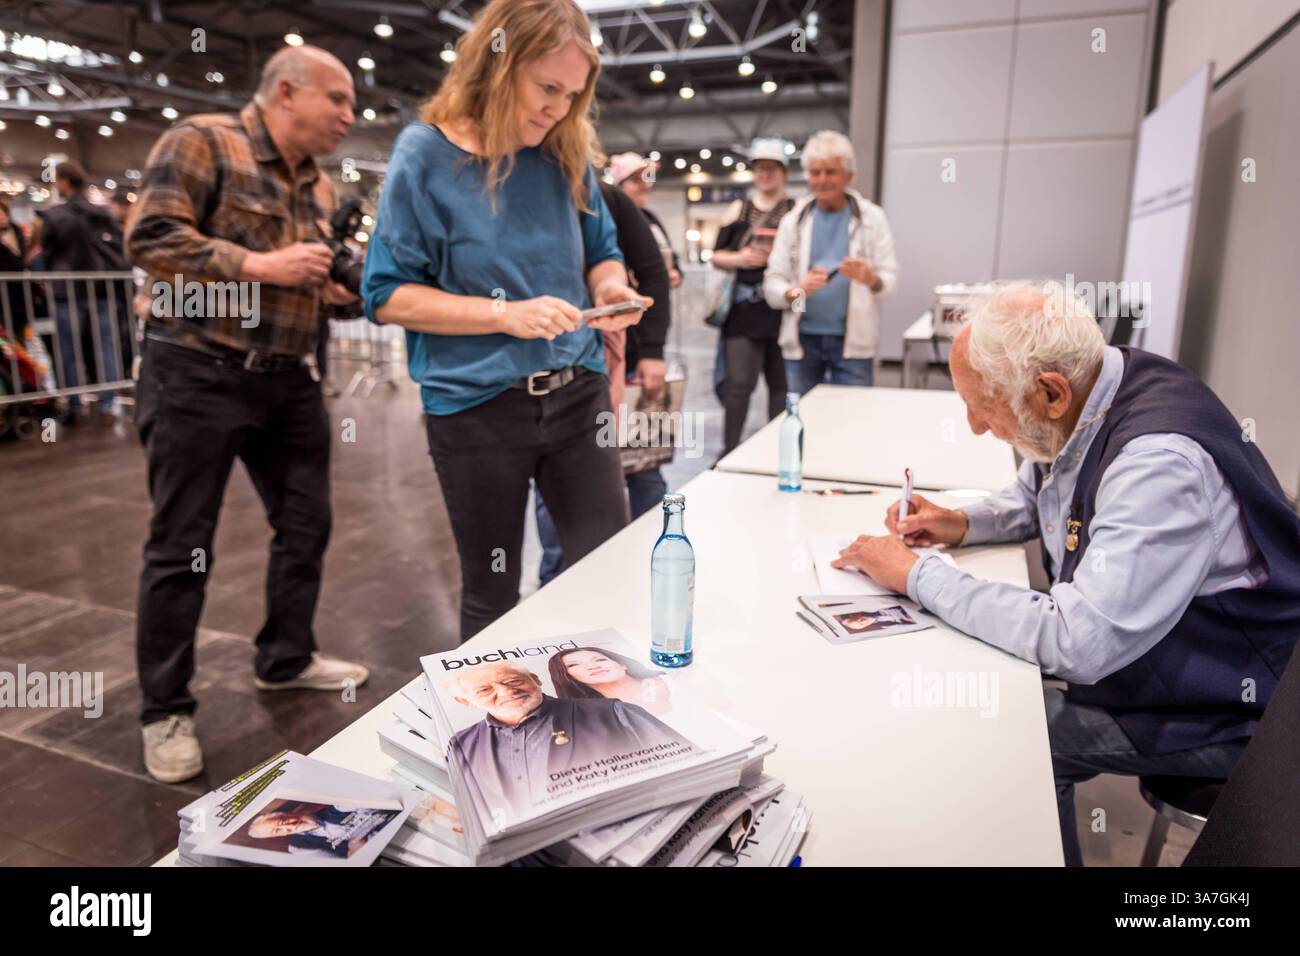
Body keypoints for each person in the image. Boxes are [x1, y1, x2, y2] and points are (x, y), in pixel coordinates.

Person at [831, 281, 1300, 866]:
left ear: (1051, 392)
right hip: (1167, 665)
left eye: (984, 407)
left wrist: (917, 576)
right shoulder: (1100, 383)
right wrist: (959, 522)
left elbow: (1076, 641)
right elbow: (1049, 488)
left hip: (1238, 714)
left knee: (1017, 738)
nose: (975, 427)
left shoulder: (1158, 465)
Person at [361, 0, 647, 640]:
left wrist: (613, 290)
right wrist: (504, 315)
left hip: (578, 394)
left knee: (603, 568)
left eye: (572, 95)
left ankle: (600, 722)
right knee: (492, 590)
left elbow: (603, 255)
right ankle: (495, 731)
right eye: (547, 87)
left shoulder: (565, 152)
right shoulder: (425, 155)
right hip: (476, 407)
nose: (558, 108)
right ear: (499, 62)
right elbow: (386, 294)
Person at [125, 45, 369, 784]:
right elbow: (151, 238)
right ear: (287, 93)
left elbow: (313, 271)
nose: (349, 116)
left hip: (287, 380)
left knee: (307, 522)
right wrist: (259, 266)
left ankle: (285, 657)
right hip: (195, 370)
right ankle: (164, 709)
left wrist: (335, 291)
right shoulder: (202, 141)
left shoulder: (321, 188)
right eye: (338, 100)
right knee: (181, 543)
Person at [534, 157, 674, 584]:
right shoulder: (530, 195)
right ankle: (557, 578)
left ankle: (649, 562)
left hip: (614, 360)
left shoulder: (609, 202)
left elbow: (654, 273)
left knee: (639, 465)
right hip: (550, 364)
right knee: (553, 482)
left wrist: (651, 351)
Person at [446, 661, 683, 817]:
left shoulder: (613, 711)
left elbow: (684, 764)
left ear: (536, 679)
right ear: (465, 702)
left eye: (513, 681)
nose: (506, 692)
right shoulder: (461, 745)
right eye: (484, 690)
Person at [764, 129, 899, 395]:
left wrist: (869, 278)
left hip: (853, 345)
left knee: (853, 420)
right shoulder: (793, 221)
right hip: (802, 342)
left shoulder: (872, 218)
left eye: (830, 172)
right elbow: (773, 282)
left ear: (849, 176)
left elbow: (890, 281)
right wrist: (796, 291)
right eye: (815, 172)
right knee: (802, 421)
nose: (822, 180)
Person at [711, 138, 796, 454]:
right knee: (738, 386)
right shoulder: (739, 209)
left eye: (771, 169)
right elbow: (716, 255)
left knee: (781, 387)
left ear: (783, 172)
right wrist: (742, 258)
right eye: (760, 169)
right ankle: (729, 450)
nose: (765, 174)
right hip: (744, 310)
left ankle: (778, 453)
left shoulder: (795, 210)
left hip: (781, 311)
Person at [37, 160, 128, 413]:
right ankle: (108, 401)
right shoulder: (102, 214)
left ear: (65, 181)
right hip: (101, 288)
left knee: (68, 349)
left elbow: (48, 252)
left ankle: (75, 402)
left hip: (67, 291)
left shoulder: (56, 216)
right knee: (106, 346)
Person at [548, 645, 673, 716]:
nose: (593, 666)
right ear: (567, 677)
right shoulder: (592, 716)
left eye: (600, 660)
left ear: (622, 664)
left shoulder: (669, 683)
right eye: (574, 665)